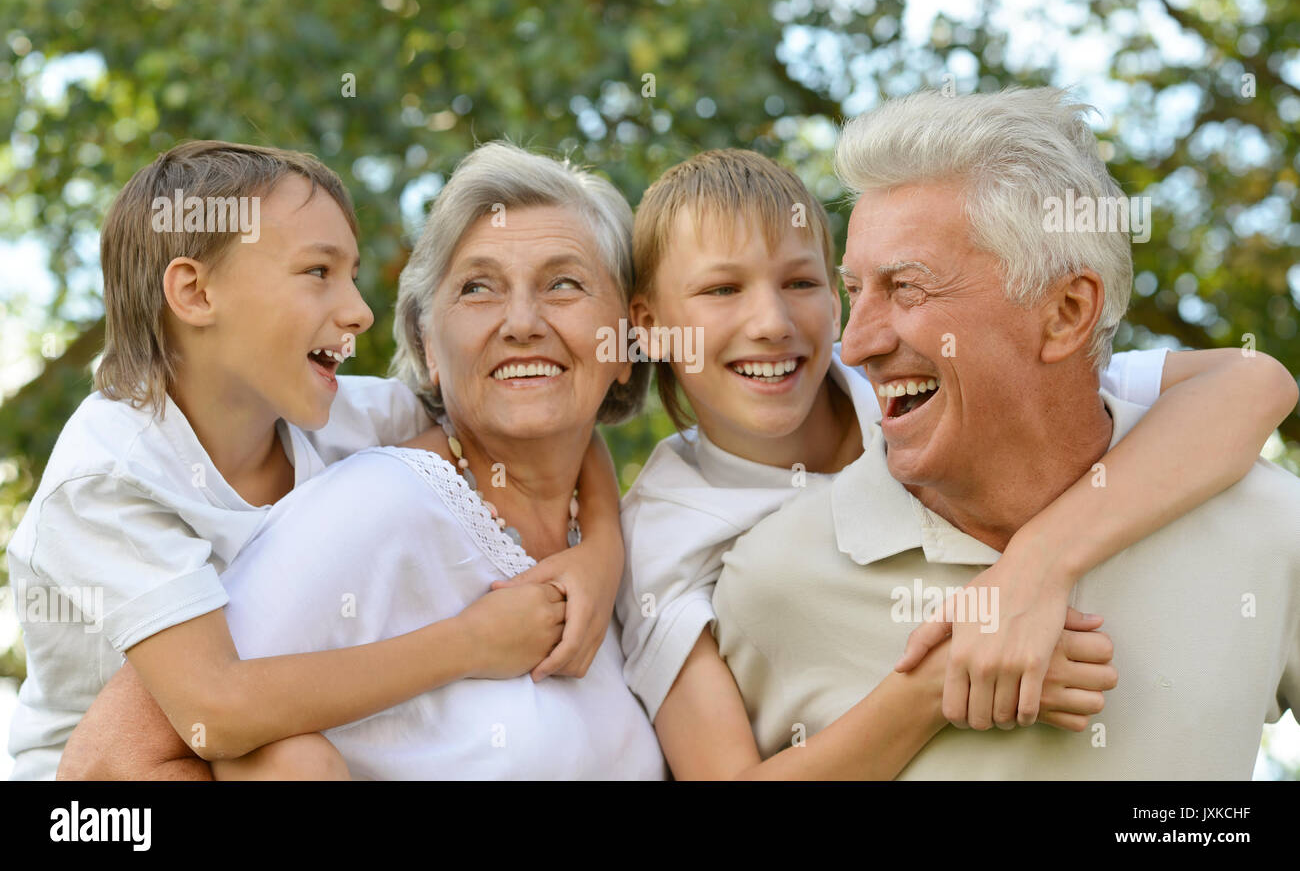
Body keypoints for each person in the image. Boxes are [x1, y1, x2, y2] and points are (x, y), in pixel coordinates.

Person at [616, 142, 1297, 778]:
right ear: (647, 324)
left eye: (801, 283)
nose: (771, 321)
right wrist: (937, 684)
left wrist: (1035, 565)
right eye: (720, 290)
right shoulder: (663, 536)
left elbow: (1254, 380)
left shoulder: (912, 384)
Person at [13, 141, 626, 781]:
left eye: (354, 275)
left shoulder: (344, 417)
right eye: (318, 273)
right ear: (195, 293)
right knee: (295, 762)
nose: (360, 311)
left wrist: (601, 549)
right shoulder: (107, 477)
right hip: (96, 790)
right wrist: (470, 644)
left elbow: (533, 412)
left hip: (241, 742)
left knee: (294, 757)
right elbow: (213, 710)